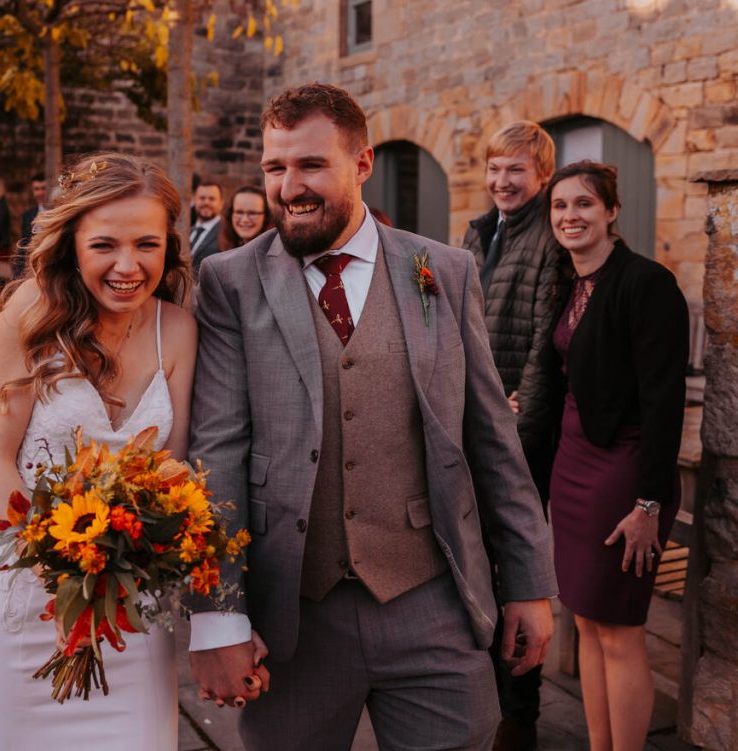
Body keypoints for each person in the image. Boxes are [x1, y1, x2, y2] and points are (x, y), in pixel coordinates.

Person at [187, 82, 556, 751]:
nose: (289, 186)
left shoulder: (444, 270)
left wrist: (528, 580)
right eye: (275, 168)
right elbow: (216, 451)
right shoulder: (229, 283)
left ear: (361, 164)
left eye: (311, 165)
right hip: (291, 616)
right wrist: (218, 618)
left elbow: (492, 440)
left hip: (432, 604)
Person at [0, 153, 205, 749]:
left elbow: (174, 464)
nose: (128, 266)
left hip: (128, 616)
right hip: (23, 603)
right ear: (71, 245)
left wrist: (133, 550)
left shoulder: (180, 331)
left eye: (147, 244)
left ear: (169, 246)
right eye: (105, 246)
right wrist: (55, 553)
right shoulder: (30, 312)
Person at [544, 161, 688, 751]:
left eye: (583, 204)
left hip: (625, 472)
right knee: (584, 620)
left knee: (621, 628)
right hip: (572, 463)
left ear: (610, 212)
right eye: (559, 206)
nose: (570, 216)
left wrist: (648, 503)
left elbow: (664, 401)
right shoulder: (569, 279)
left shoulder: (646, 283)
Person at [462, 121, 560, 750]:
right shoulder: (477, 232)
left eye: (516, 171)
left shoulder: (550, 236)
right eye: (496, 169)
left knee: (518, 572)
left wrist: (515, 426)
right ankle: (476, 691)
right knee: (475, 565)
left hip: (519, 433)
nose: (503, 181)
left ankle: (518, 716)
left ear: (542, 176)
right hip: (471, 419)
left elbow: (546, 341)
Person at [13, 172, 47, 279]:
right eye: (36, 189)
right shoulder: (28, 216)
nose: (40, 193)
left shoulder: (59, 212)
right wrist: (18, 274)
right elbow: (24, 244)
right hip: (32, 269)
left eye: (43, 188)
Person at [188, 182, 224, 278]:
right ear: (194, 200)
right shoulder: (187, 231)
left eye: (211, 199)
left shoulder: (227, 232)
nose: (206, 202)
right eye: (202, 198)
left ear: (221, 203)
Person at [219, 186, 272, 251]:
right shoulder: (220, 251)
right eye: (239, 212)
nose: (245, 220)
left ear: (266, 216)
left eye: (252, 213)